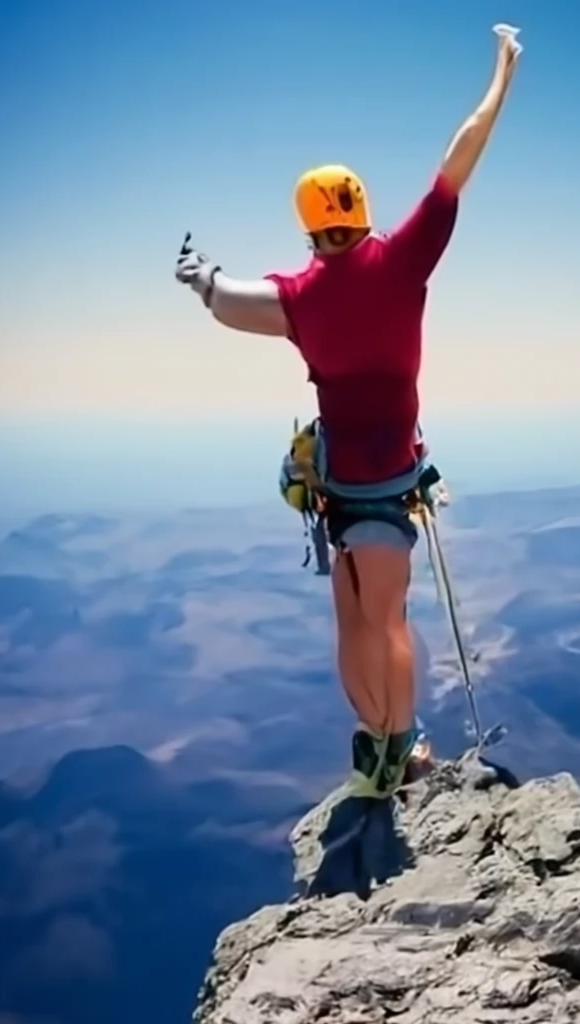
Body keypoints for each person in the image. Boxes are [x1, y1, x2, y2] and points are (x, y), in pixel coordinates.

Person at [175, 25, 522, 799]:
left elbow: (231, 302)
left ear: (309, 221)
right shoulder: (402, 262)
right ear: (360, 209)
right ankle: (403, 752)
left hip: (339, 482)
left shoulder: (298, 297)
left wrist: (200, 276)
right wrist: (503, 71)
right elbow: (459, 158)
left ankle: (378, 742)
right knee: (391, 620)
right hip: (393, 480)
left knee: (354, 617)